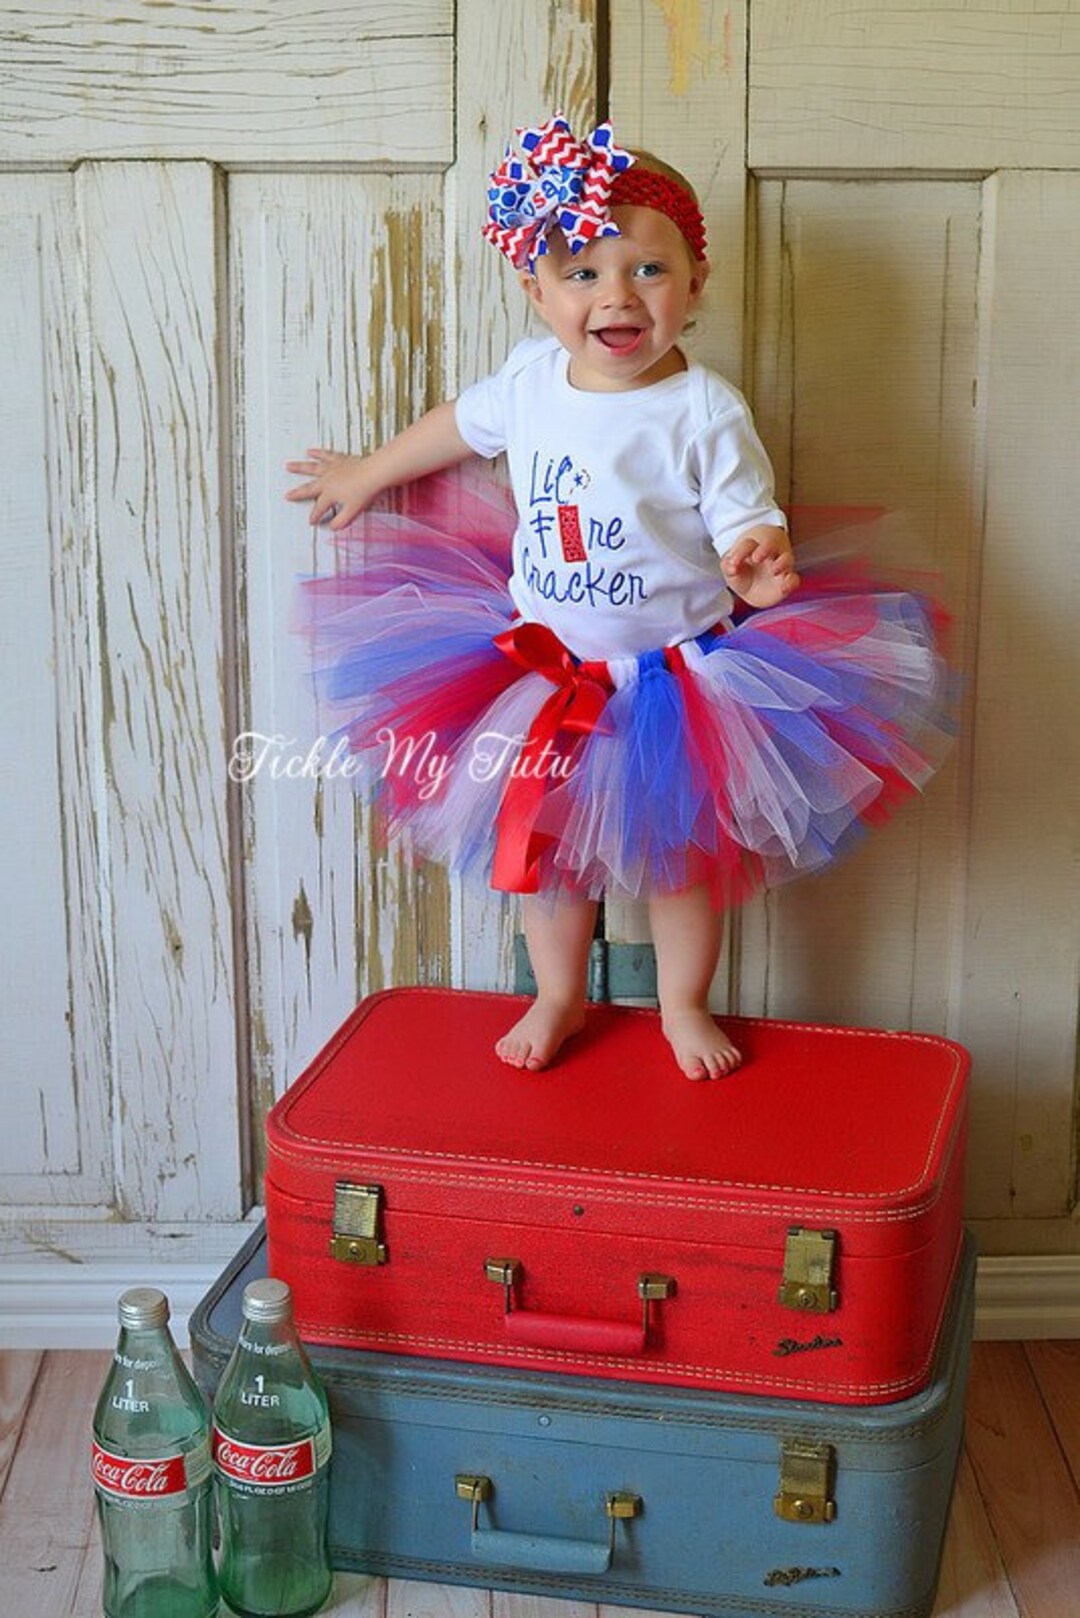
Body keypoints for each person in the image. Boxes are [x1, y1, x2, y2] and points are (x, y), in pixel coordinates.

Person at [285, 115, 948, 1081]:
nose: (615, 298)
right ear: (536, 291)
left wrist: (757, 558)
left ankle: (681, 1003)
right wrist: (369, 470)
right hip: (534, 668)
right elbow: (455, 428)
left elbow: (741, 513)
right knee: (548, 853)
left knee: (679, 865)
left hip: (674, 686)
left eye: (647, 270)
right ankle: (558, 995)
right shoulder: (529, 382)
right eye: (581, 274)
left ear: (694, 284)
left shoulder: (702, 409)